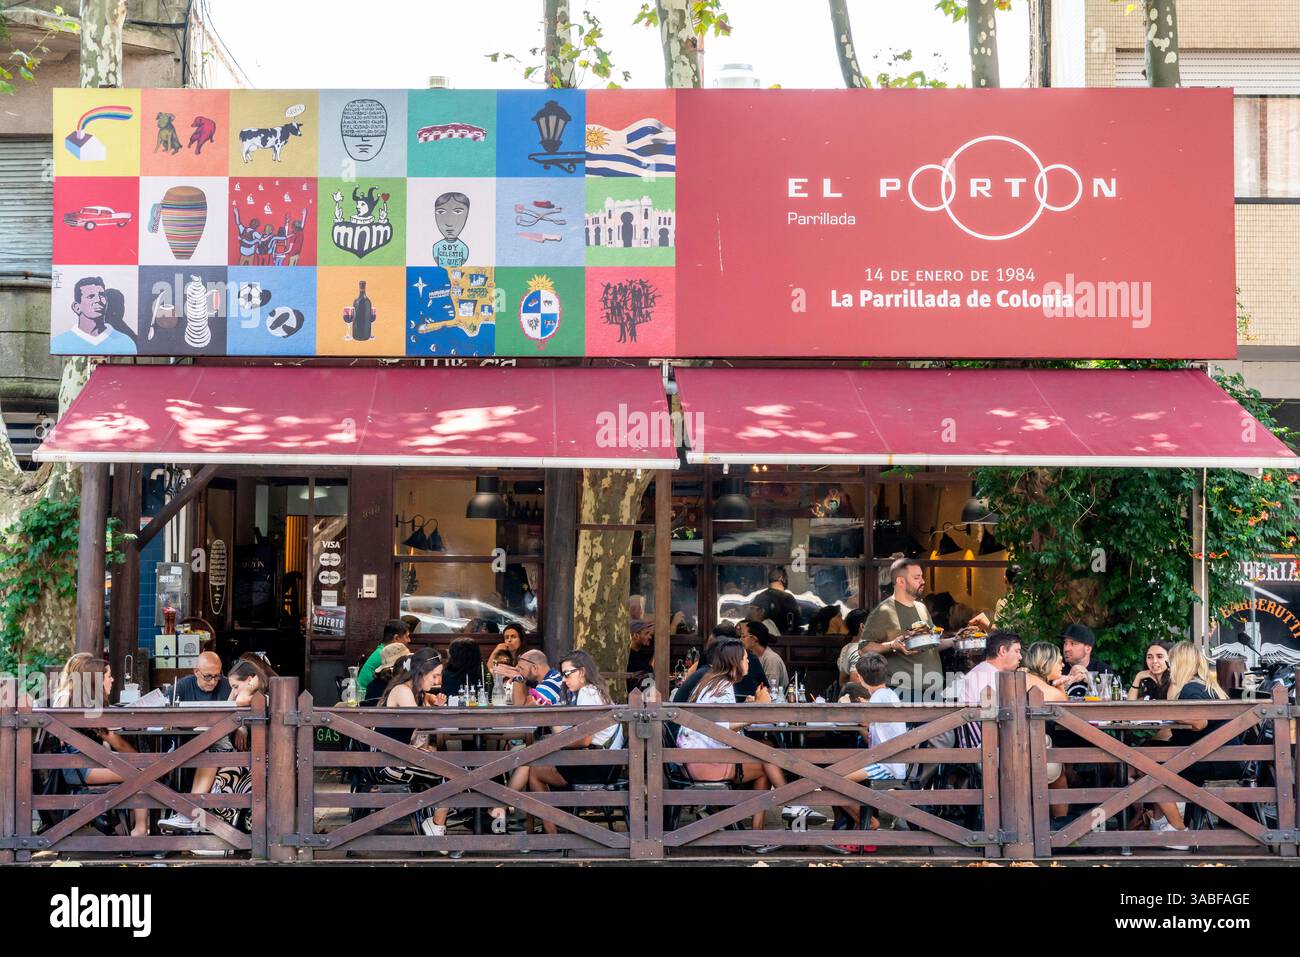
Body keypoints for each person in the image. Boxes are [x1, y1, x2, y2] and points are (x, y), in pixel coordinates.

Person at [159, 658, 270, 835]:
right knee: (209, 753)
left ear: (250, 679)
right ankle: (189, 814)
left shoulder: (256, 697)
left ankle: (189, 814)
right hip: (252, 756)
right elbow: (231, 705)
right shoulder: (251, 695)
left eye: (234, 686)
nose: (231, 690)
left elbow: (232, 704)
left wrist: (243, 690)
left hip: (263, 761)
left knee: (211, 755)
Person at [526, 651, 628, 834]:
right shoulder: (592, 690)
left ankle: (552, 836)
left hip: (597, 766)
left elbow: (584, 740)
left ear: (582, 672)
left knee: (535, 771)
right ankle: (557, 828)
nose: (563, 679)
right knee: (536, 761)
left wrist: (557, 743)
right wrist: (554, 727)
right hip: (605, 762)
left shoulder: (587, 693)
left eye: (567, 674)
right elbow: (578, 737)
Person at [675, 638, 771, 832]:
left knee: (768, 753)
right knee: (769, 761)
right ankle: (774, 818)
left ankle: (767, 820)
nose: (749, 662)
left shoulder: (712, 682)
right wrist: (757, 713)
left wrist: (747, 708)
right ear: (735, 661)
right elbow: (722, 729)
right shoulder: (722, 687)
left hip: (693, 759)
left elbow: (718, 723)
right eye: (745, 658)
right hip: (705, 763)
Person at [51, 657, 149, 838]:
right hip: (81, 769)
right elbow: (117, 743)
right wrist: (140, 760)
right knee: (142, 774)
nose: (112, 680)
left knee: (140, 770)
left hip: (78, 766)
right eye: (108, 676)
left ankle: (130, 828)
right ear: (96, 680)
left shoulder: (80, 701)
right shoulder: (91, 708)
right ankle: (140, 832)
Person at [374, 653, 457, 851]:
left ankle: (434, 822)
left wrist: (431, 703)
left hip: (398, 758)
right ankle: (436, 826)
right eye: (435, 676)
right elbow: (421, 722)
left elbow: (418, 732)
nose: (438, 681)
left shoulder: (414, 692)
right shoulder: (402, 690)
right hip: (388, 764)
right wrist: (433, 706)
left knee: (455, 769)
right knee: (455, 773)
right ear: (421, 673)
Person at [862, 557, 953, 701]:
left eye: (922, 577)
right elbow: (863, 649)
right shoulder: (883, 611)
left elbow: (932, 644)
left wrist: (956, 640)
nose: (923, 581)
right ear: (900, 581)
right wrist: (892, 645)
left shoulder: (922, 607)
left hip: (933, 691)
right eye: (917, 577)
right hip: (904, 692)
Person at [1021, 642, 1068, 816]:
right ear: (1045, 663)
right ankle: (1061, 825)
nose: (1063, 665)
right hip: (1032, 753)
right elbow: (1066, 714)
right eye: (1059, 661)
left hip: (1002, 751)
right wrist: (1061, 685)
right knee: (1060, 772)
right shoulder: (1050, 691)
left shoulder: (1016, 678)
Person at [357, 619, 410, 699]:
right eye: (407, 636)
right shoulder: (386, 655)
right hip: (367, 699)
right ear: (396, 638)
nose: (409, 640)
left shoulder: (381, 651)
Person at [496, 649, 566, 706]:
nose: (519, 671)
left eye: (521, 668)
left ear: (534, 668)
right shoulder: (550, 678)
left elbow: (520, 709)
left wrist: (517, 677)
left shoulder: (551, 684)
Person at [1060, 623, 1114, 696]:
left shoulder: (1103, 670)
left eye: (1073, 644)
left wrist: (1090, 679)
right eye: (1065, 643)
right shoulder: (1057, 668)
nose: (1066, 649)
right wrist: (1066, 683)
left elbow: (1111, 699)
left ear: (1088, 649)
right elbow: (1047, 697)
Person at [750, 566, 802, 635]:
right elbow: (794, 625)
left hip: (761, 640)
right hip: (782, 642)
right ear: (782, 578)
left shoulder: (759, 597)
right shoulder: (787, 598)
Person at [741, 619, 789, 692]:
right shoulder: (752, 657)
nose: (740, 639)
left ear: (754, 639)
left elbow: (770, 690)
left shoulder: (771, 659)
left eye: (743, 636)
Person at [625, 619, 655, 694]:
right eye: (646, 633)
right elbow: (648, 674)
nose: (650, 637)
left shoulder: (637, 655)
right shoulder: (631, 658)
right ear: (636, 635)